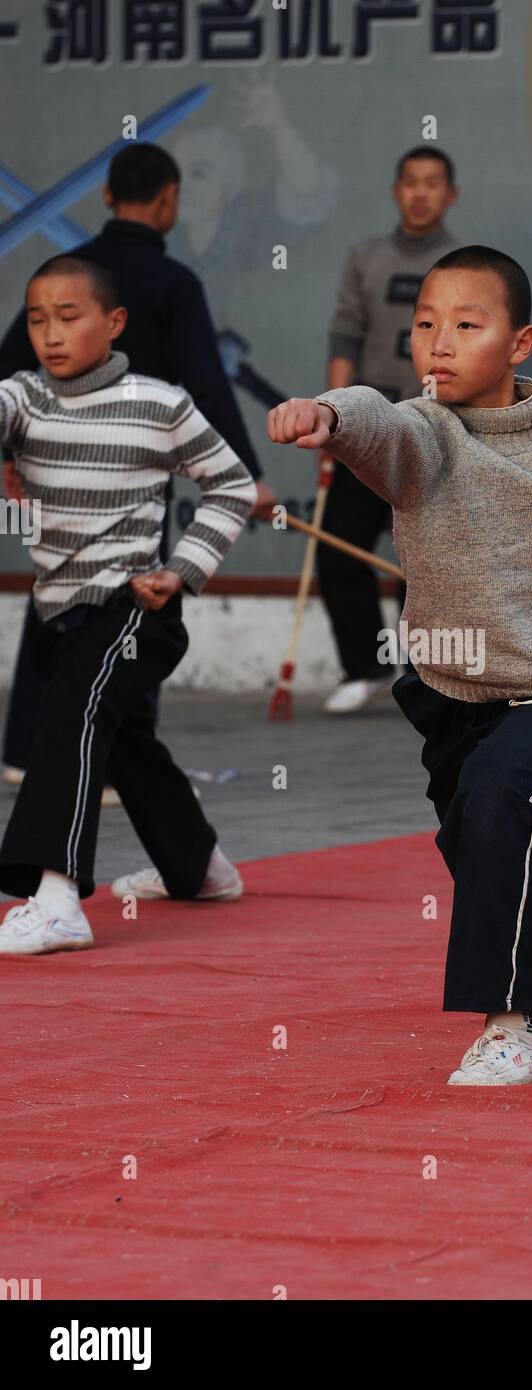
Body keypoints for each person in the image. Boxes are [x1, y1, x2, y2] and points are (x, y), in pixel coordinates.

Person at [267, 246, 532, 1086]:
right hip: (449, 689)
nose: (439, 343)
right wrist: (328, 414)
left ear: (519, 342)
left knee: (504, 795)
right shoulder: (425, 437)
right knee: (473, 826)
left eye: (466, 326)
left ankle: (508, 1027)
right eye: (425, 326)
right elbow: (376, 417)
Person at [0, 255, 256, 956]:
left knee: (73, 715)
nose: (50, 333)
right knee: (122, 742)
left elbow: (230, 487)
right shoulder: (25, 399)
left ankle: (55, 898)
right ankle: (199, 868)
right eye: (37, 318)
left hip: (136, 607)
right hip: (60, 611)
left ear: (113, 323)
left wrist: (182, 569)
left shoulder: (160, 402)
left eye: (69, 315)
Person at [0, 142, 277, 782]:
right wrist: (248, 476)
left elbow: (11, 369)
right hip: (131, 474)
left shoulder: (65, 277)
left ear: (105, 196)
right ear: (169, 201)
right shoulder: (173, 283)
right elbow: (206, 385)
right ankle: (111, 761)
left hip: (55, 470)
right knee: (132, 609)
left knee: (56, 593)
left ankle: (24, 751)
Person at [318, 146, 462, 713]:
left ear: (450, 195)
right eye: (410, 182)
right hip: (370, 422)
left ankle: (422, 672)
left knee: (422, 554)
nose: (420, 192)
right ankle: (363, 667)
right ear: (395, 191)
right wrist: (332, 416)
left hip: (438, 424)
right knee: (338, 552)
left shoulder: (463, 262)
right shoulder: (366, 256)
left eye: (432, 183)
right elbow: (345, 335)